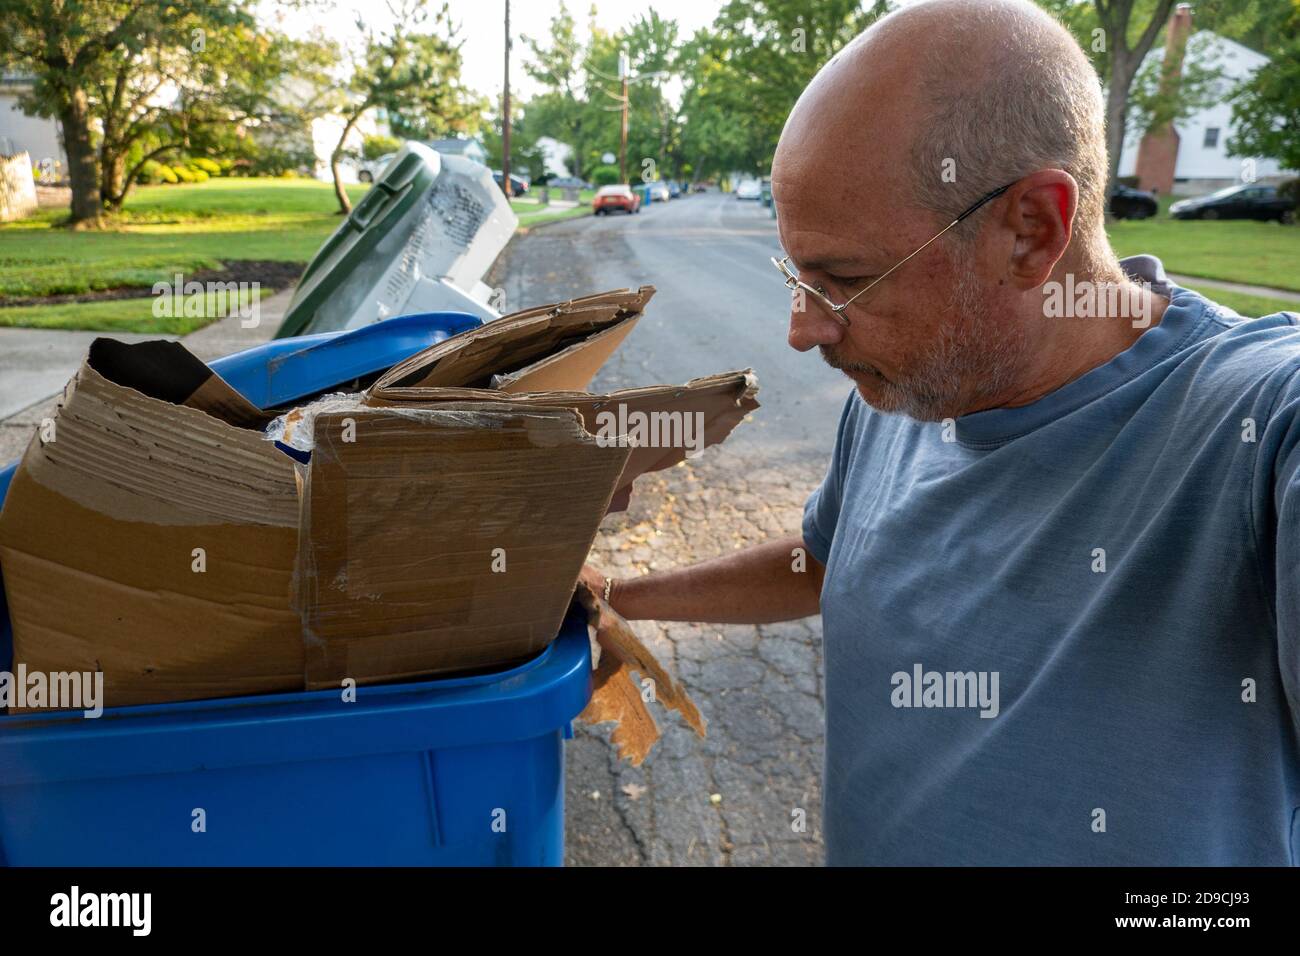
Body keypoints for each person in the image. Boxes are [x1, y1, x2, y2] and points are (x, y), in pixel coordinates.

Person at [583, 0, 1300, 865]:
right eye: (794, 273)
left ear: (1033, 229)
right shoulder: (908, 390)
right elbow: (828, 556)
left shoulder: (1257, 424)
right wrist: (616, 597)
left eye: (842, 279)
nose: (803, 330)